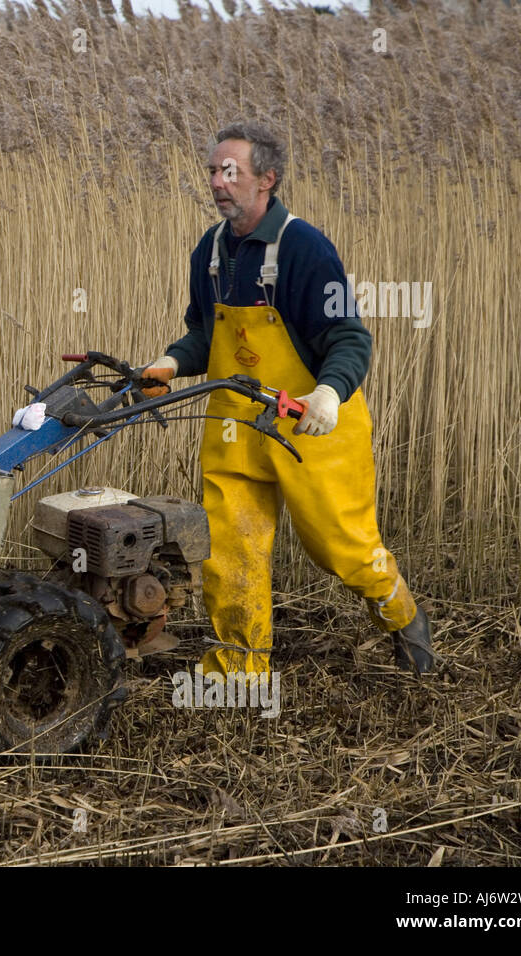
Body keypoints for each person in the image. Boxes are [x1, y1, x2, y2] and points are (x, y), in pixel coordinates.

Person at [137, 121, 436, 677]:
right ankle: (239, 669)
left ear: (267, 180)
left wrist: (328, 393)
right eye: (213, 171)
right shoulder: (210, 251)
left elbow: (349, 337)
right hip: (236, 427)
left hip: (313, 425)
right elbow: (206, 333)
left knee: (340, 549)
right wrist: (171, 363)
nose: (218, 183)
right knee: (231, 552)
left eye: (232, 172)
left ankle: (403, 617)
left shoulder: (305, 249)